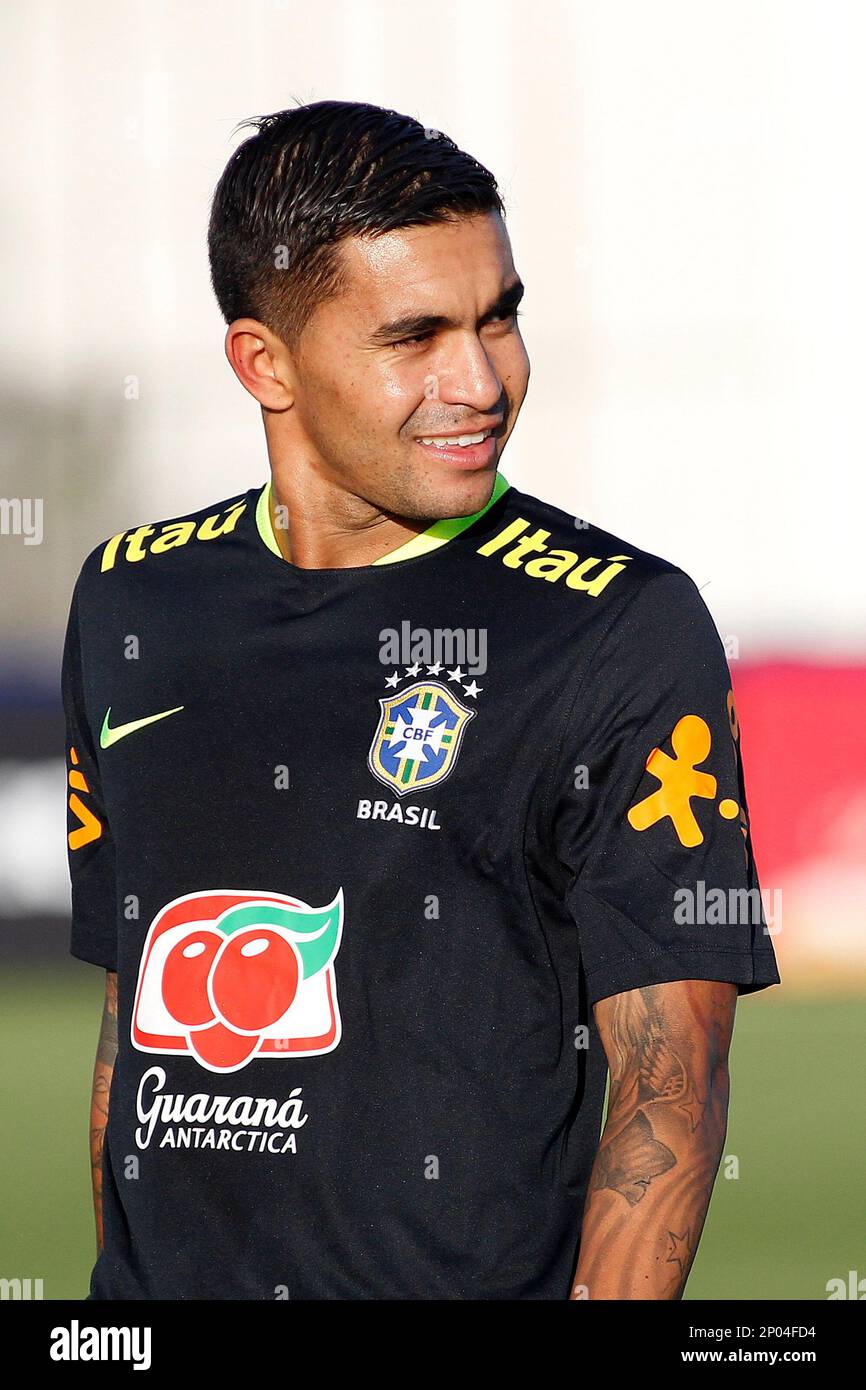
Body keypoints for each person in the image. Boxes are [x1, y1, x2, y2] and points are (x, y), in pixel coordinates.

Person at [62, 99, 780, 1301]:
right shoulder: (132, 602)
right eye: (416, 335)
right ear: (264, 363)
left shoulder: (616, 623)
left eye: (498, 318)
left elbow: (673, 1077)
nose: (482, 378)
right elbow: (129, 1021)